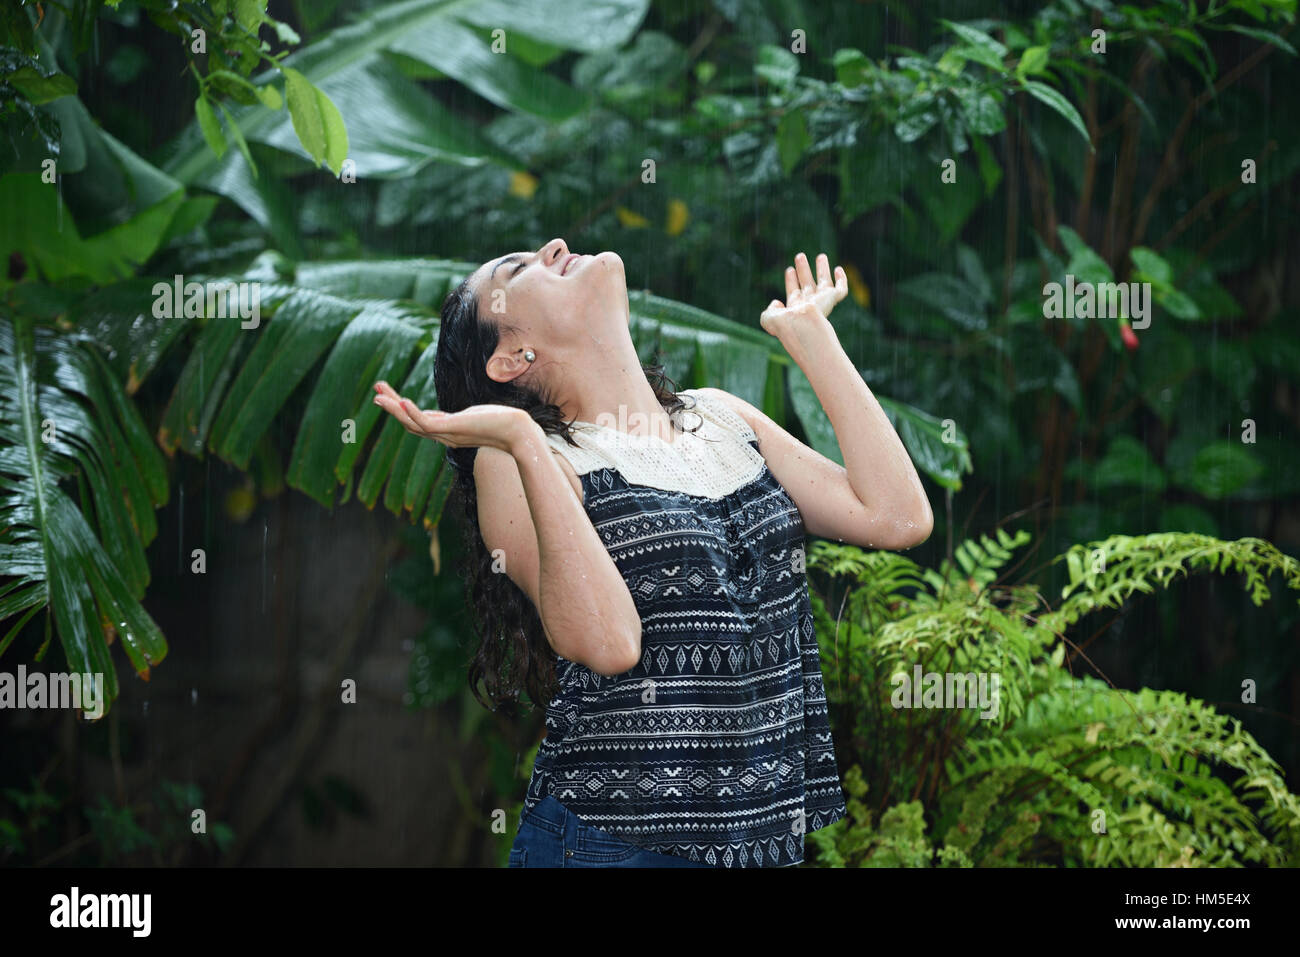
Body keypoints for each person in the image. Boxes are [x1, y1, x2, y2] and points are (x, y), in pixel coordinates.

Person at [373, 239, 933, 867]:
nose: (554, 245)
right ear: (511, 358)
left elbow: (898, 517)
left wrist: (812, 339)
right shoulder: (520, 462)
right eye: (519, 268)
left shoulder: (721, 419)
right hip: (616, 845)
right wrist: (523, 440)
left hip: (760, 843)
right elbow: (609, 645)